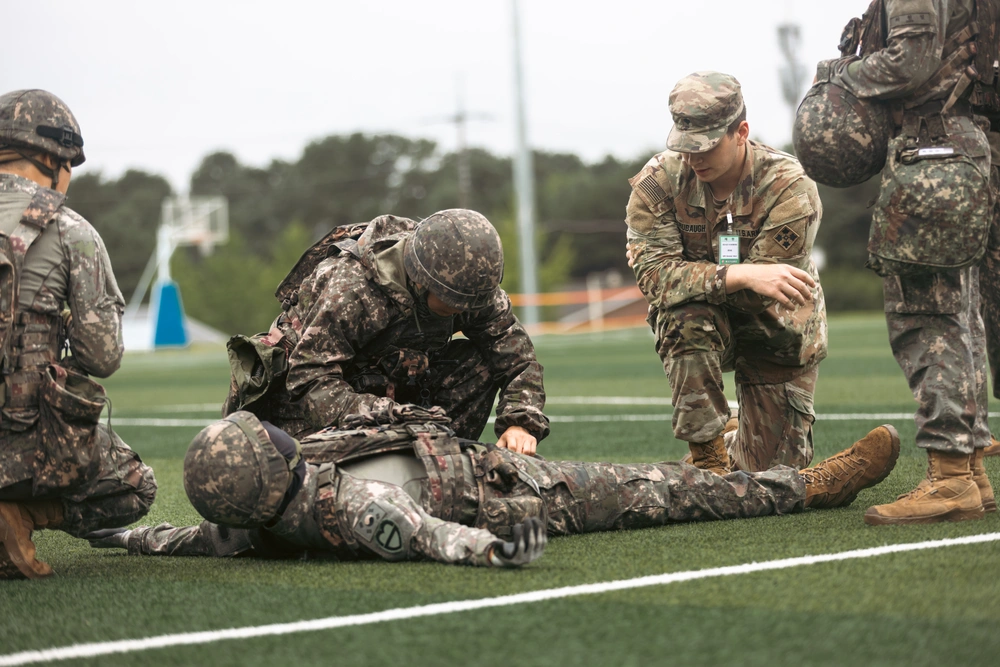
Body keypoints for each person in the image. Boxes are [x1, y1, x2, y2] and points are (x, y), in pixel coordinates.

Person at [86, 410, 900, 566]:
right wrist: (507, 546)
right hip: (512, 492)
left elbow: (182, 535)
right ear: (272, 466)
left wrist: (107, 533)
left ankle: (777, 478)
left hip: (482, 472)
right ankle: (807, 488)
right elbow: (432, 533)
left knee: (672, 483)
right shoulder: (352, 507)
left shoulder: (250, 520)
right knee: (674, 489)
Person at [815, 0, 996, 523]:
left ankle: (951, 480)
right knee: (961, 318)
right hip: (958, 148)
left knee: (926, 318)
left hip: (932, 152)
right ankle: (972, 472)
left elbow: (910, 61)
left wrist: (838, 73)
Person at [624, 71, 827, 475]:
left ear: (741, 132)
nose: (693, 158)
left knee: (769, 475)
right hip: (701, 324)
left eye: (706, 146)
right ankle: (709, 457)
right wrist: (739, 275)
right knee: (685, 315)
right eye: (685, 146)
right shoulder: (660, 181)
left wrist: (699, 277)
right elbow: (653, 278)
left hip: (776, 332)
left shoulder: (789, 188)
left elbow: (764, 296)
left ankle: (736, 434)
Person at [224, 209, 547, 456]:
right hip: (303, 402)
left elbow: (517, 357)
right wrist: (389, 416)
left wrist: (520, 421)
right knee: (315, 484)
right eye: (453, 302)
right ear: (421, 280)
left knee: (478, 362)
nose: (464, 311)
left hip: (386, 384)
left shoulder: (469, 286)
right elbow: (309, 379)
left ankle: (441, 460)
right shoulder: (353, 290)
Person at [0, 89, 157, 579]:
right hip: (20, 446)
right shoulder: (70, 230)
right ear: (53, 159)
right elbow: (103, 355)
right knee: (136, 485)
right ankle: (19, 516)